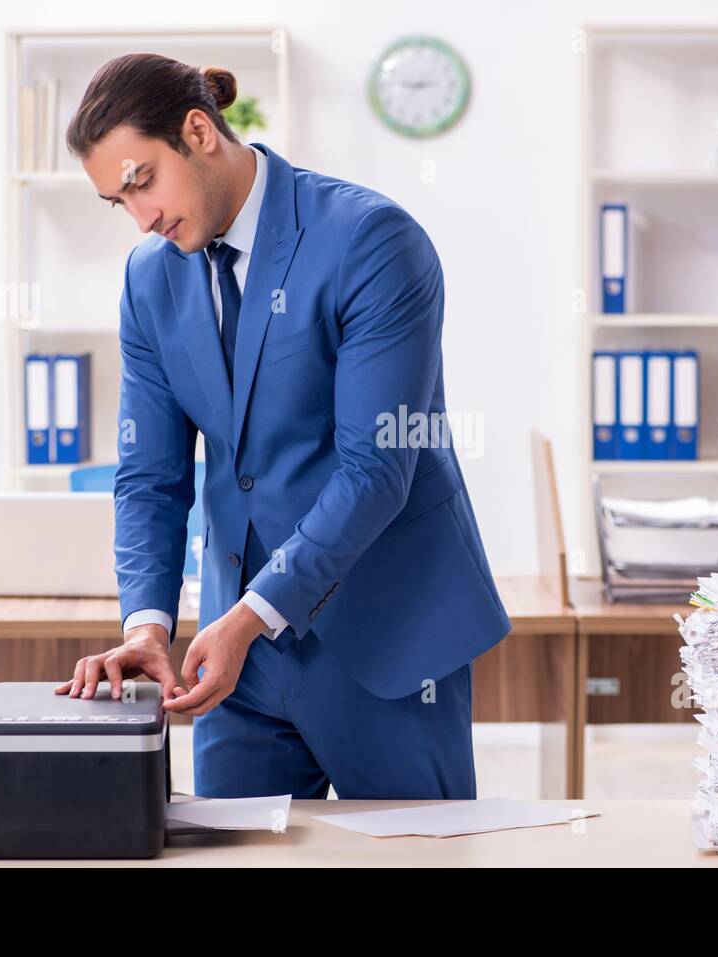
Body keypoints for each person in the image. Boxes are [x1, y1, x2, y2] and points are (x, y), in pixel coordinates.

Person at [53, 54, 510, 800]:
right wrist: (147, 627)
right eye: (118, 201)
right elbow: (151, 477)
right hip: (235, 668)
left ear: (198, 131)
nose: (141, 217)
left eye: (141, 181)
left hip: (385, 638)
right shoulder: (150, 278)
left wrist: (251, 616)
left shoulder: (371, 241)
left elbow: (375, 471)